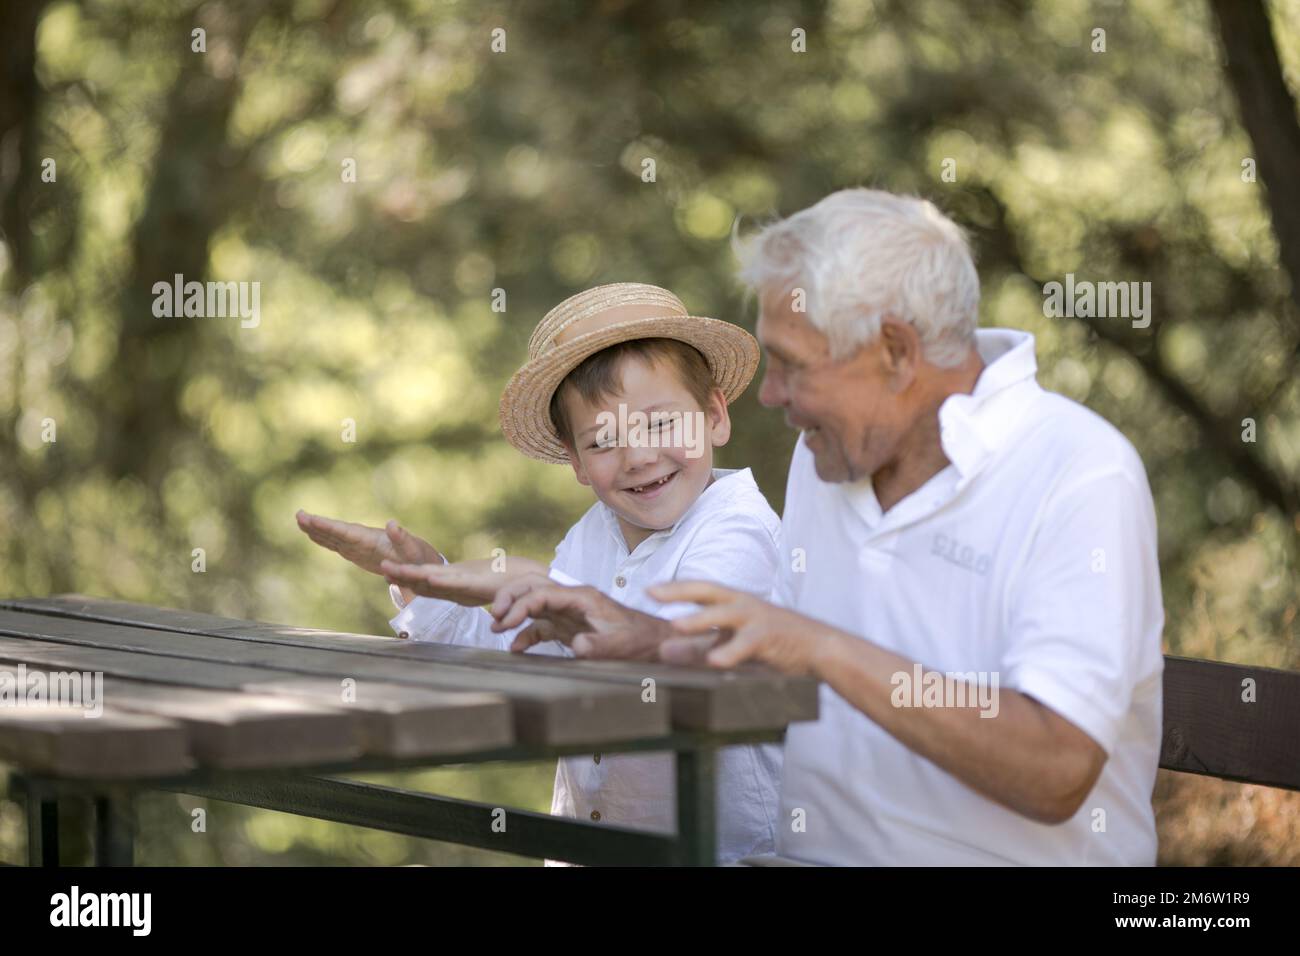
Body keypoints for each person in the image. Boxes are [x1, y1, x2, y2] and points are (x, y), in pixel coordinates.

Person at [486, 191, 1166, 866]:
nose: (772, 393)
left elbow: (1056, 771)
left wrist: (821, 649)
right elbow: (777, 655)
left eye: (792, 364)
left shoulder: (1076, 472)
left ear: (896, 352)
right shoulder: (828, 461)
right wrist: (647, 637)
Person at [299, 282, 784, 863]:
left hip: (722, 853)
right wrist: (428, 583)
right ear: (576, 461)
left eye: (660, 425)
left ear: (713, 418)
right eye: (604, 440)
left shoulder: (738, 530)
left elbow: (675, 650)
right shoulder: (593, 536)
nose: (639, 456)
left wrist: (553, 598)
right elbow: (523, 645)